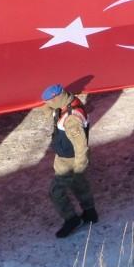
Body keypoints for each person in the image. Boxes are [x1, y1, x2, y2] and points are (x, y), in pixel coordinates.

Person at [43, 85, 99, 238]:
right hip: (68, 156)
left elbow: (81, 145)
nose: (47, 105)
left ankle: (71, 219)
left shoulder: (72, 118)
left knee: (56, 191)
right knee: (79, 184)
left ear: (56, 98)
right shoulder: (68, 103)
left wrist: (80, 165)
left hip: (69, 160)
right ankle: (90, 212)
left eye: (49, 102)